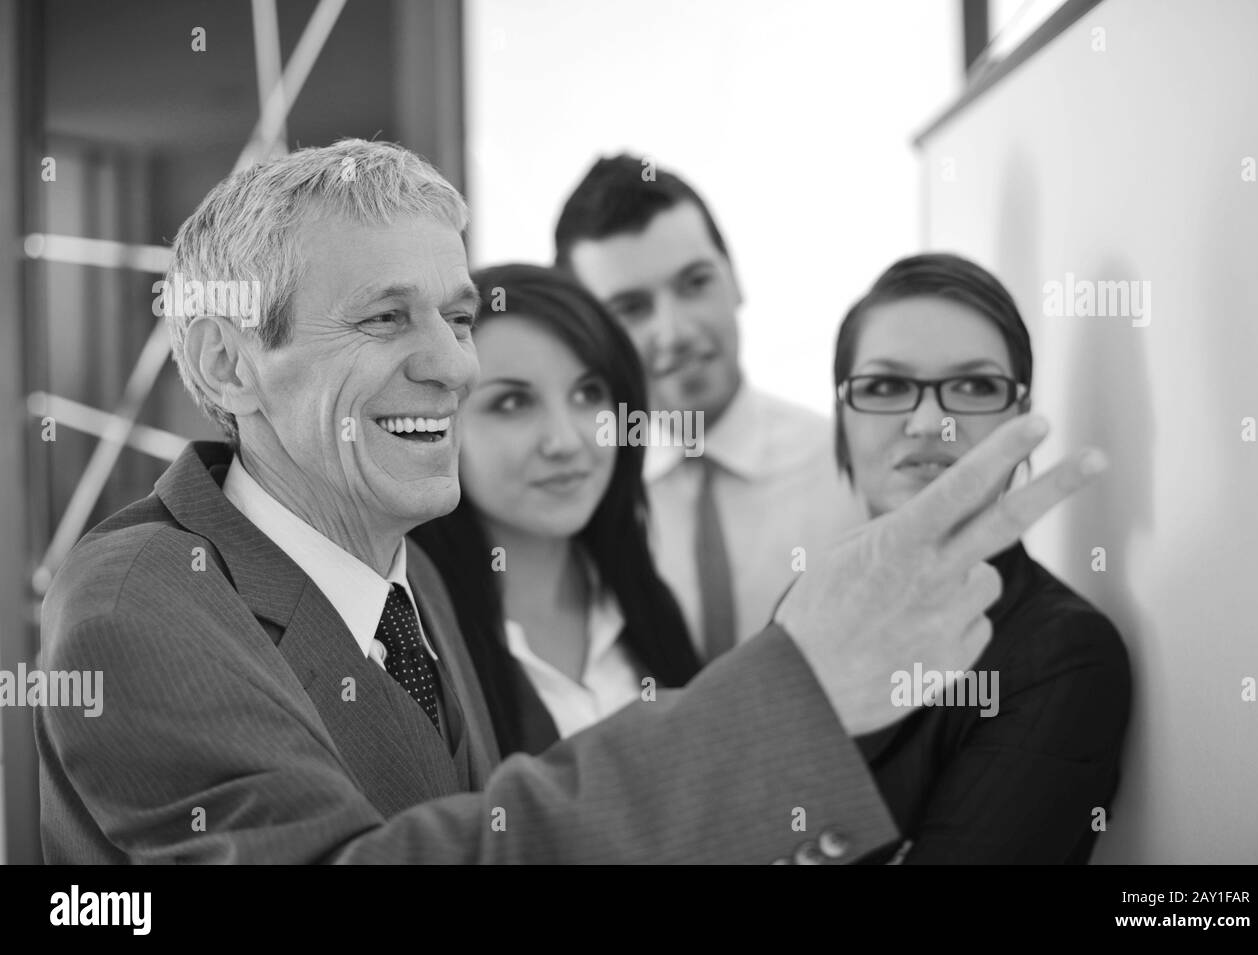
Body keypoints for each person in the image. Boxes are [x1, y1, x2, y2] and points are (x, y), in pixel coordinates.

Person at [35, 139, 1103, 864]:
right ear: (228, 365)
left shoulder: (402, 581)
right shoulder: (139, 600)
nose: (449, 366)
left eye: (455, 317)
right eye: (383, 321)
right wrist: (792, 695)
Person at [834, 253, 1132, 863]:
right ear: (842, 416)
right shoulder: (814, 603)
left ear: (1019, 415)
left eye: (974, 386)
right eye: (885, 386)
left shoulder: (1063, 654)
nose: (927, 422)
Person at [554, 156, 862, 661]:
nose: (675, 334)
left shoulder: (847, 471)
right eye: (632, 309)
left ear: (735, 278)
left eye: (695, 283)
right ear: (592, 333)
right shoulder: (575, 497)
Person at [411, 264, 700, 756]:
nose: (565, 441)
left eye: (588, 394)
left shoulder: (648, 600)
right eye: (511, 404)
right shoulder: (416, 637)